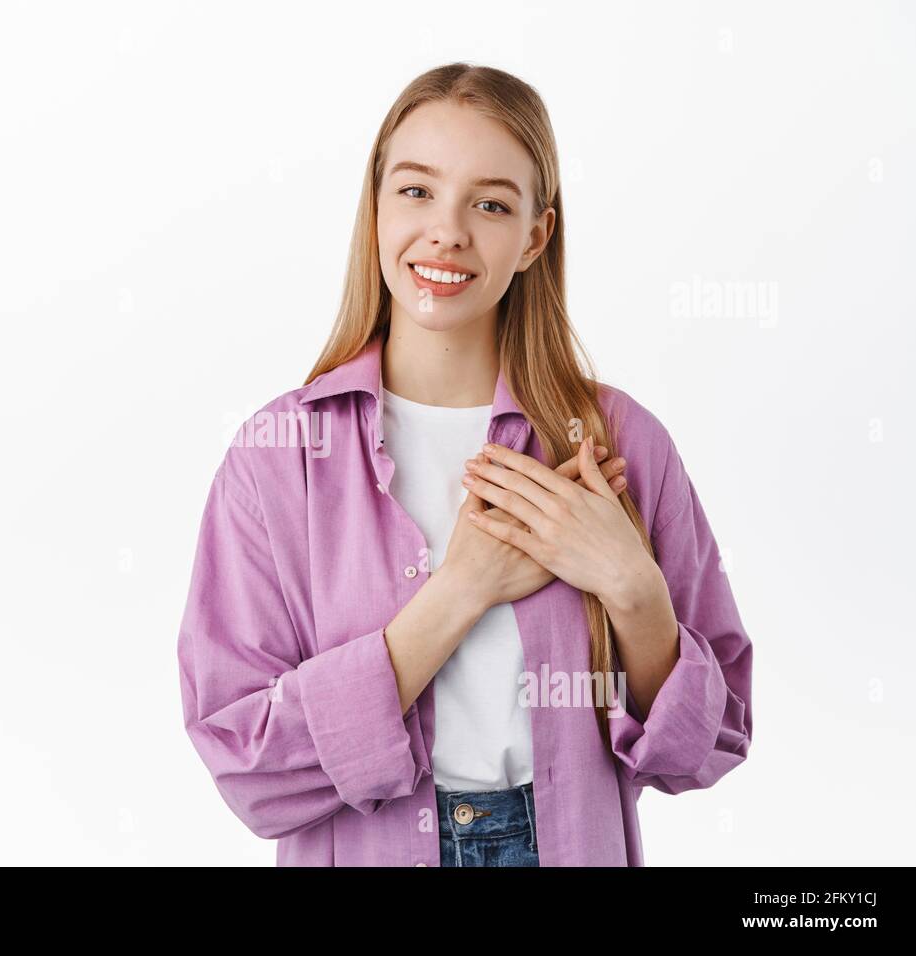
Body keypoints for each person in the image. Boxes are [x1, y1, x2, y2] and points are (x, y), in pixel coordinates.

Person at [176, 62, 752, 866]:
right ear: (375, 208)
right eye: (416, 191)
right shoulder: (279, 459)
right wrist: (463, 587)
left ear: (535, 237)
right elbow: (250, 770)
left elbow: (709, 745)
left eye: (489, 204)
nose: (447, 231)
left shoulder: (623, 443)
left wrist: (632, 587)